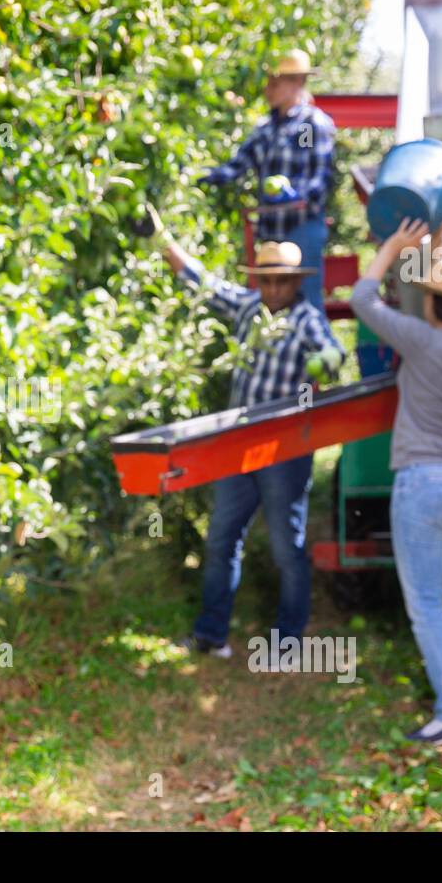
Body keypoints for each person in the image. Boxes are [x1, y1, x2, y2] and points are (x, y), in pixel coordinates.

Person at [140, 205, 344, 665]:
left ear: (296, 283)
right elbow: (200, 281)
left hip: (284, 451)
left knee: (286, 547)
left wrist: (324, 366)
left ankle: (288, 641)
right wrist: (159, 238)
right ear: (259, 281)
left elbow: (334, 354)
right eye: (267, 280)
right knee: (221, 539)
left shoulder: (306, 320)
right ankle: (212, 635)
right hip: (238, 449)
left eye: (282, 281)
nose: (273, 289)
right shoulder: (249, 308)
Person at [350, 217, 442, 747]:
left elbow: (363, 299)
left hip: (425, 487)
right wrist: (439, 242)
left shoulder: (420, 341)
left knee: (428, 604)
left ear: (433, 301)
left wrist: (392, 247)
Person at [196, 47, 336, 311]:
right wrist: (203, 178)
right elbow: (239, 165)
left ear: (297, 82)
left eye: (275, 82)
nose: (267, 89)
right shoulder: (265, 128)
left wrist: (296, 195)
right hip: (272, 232)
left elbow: (317, 175)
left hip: (301, 227)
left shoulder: (306, 126)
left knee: (304, 301)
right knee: (271, 304)